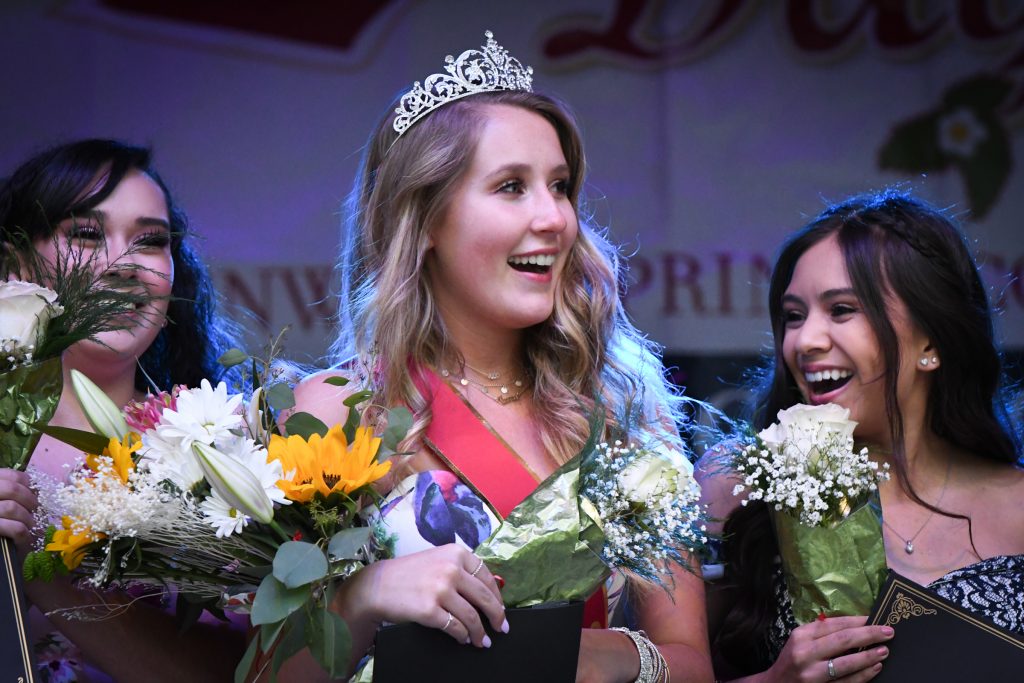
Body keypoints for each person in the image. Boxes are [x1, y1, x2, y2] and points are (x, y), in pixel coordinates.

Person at [284, 32, 713, 683]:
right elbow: (270, 675)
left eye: (560, 186)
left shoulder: (622, 405)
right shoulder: (339, 409)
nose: (555, 218)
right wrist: (364, 597)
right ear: (425, 219)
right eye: (512, 186)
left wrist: (599, 655)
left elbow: (693, 666)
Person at [696, 190, 1024, 682]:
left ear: (931, 341)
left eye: (842, 309)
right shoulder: (739, 483)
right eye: (793, 316)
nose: (805, 341)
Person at [0, 139, 245, 681]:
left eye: (150, 241)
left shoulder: (229, 443)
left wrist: (38, 569)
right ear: (17, 263)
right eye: (87, 235)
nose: (122, 264)